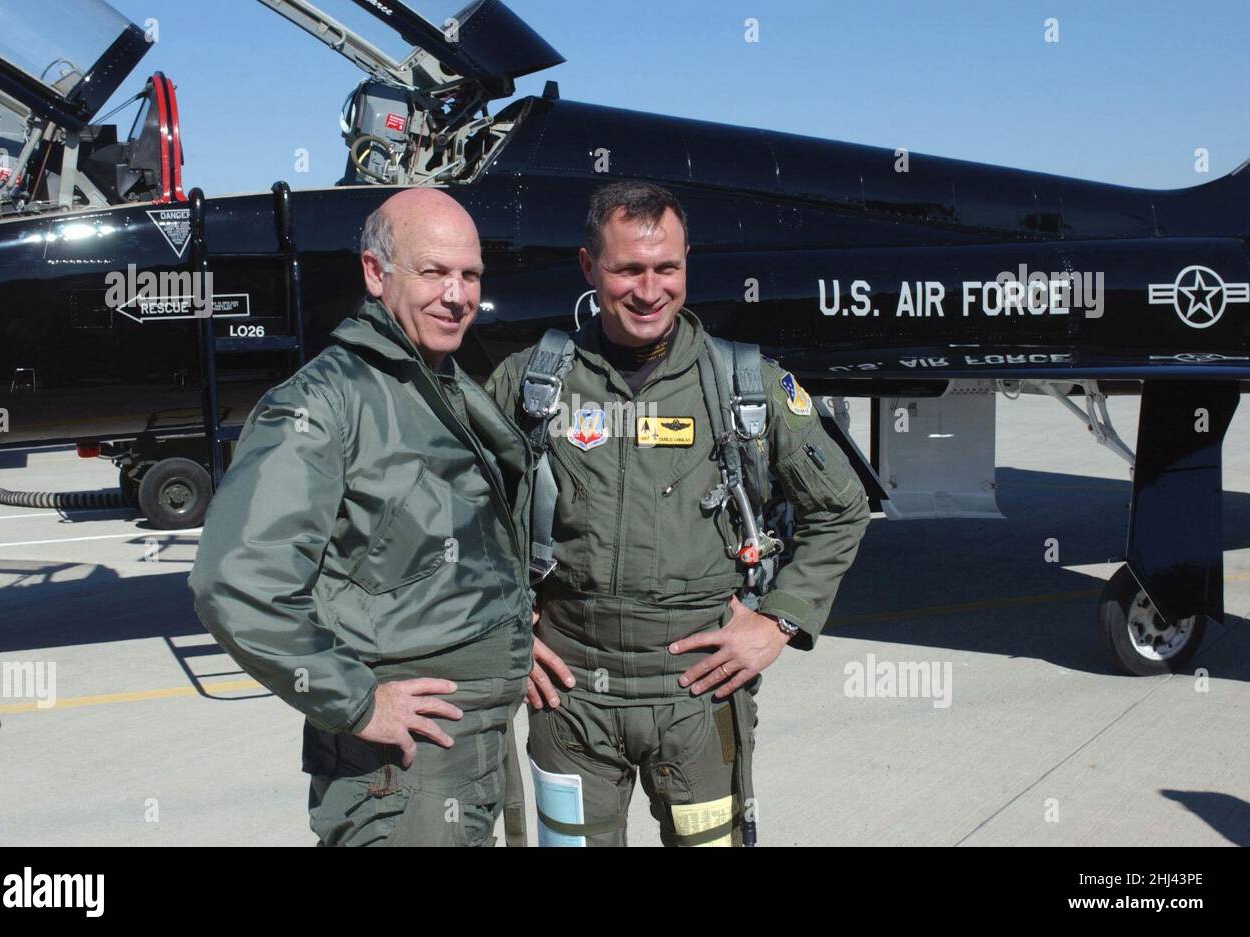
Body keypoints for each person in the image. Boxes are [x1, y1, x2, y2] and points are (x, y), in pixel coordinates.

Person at [485, 181, 870, 846]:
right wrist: (501, 631)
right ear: (588, 267)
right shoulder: (530, 383)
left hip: (698, 694)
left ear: (687, 261)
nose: (649, 288)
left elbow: (841, 507)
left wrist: (781, 619)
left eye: (667, 268)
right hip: (569, 695)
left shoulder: (747, 385)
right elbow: (459, 521)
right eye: (627, 269)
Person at [188, 188, 534, 847]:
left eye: (470, 275)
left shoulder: (439, 384)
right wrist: (356, 700)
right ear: (376, 274)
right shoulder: (324, 403)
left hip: (465, 751)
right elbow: (233, 583)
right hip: (402, 771)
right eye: (433, 272)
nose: (457, 294)